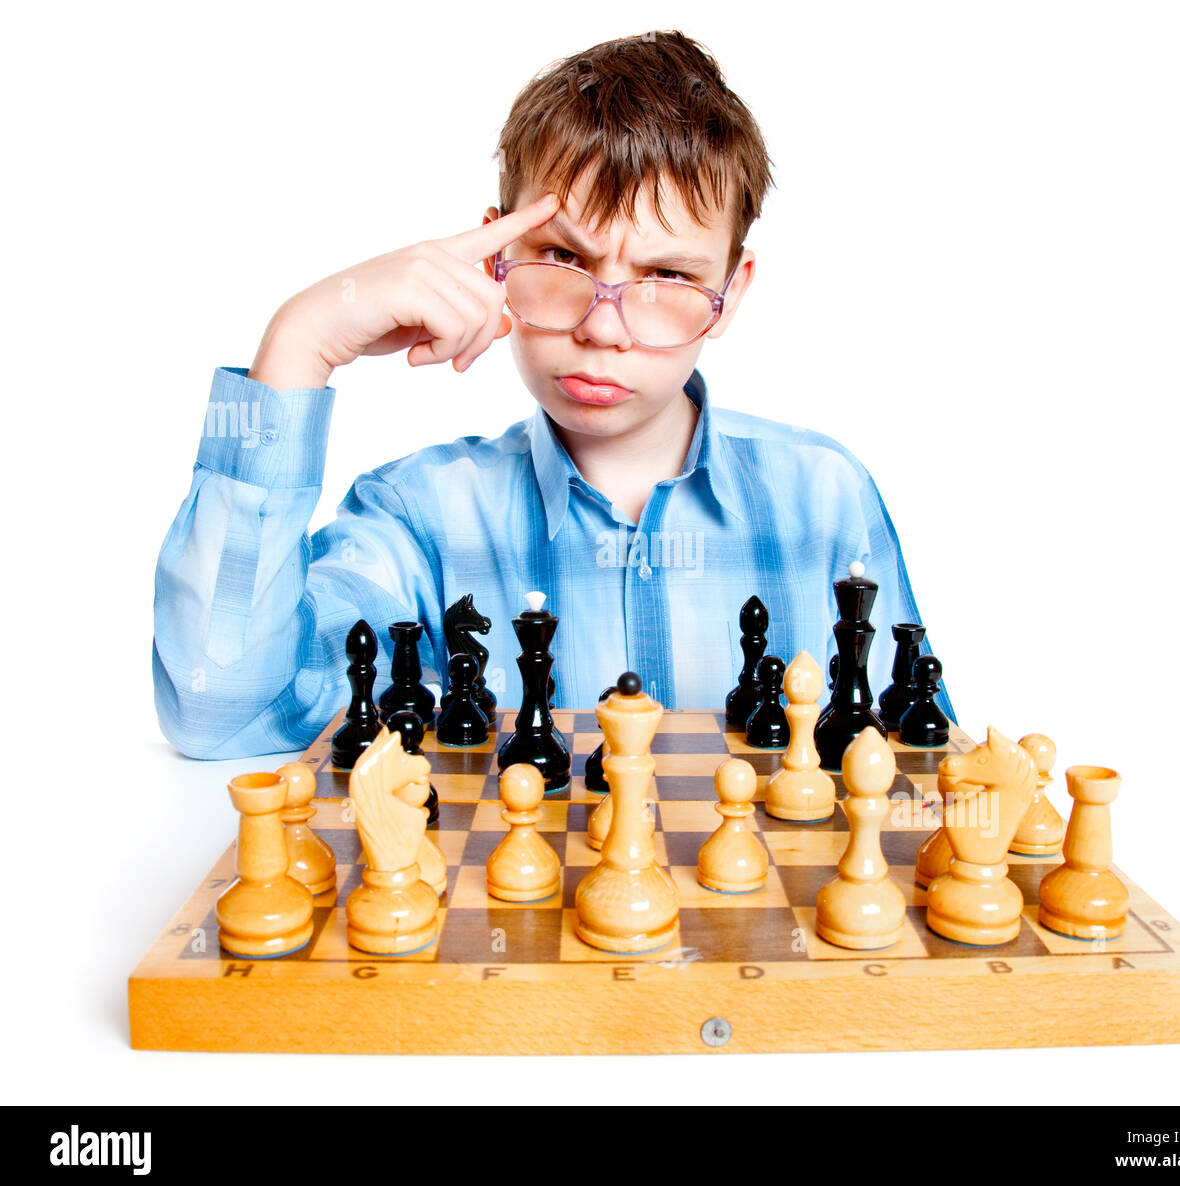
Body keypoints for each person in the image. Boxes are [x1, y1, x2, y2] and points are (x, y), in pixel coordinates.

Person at [153, 31, 953, 760]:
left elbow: (920, 759)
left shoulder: (823, 496)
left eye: (668, 276)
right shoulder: (418, 517)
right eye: (563, 259)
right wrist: (298, 343)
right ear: (495, 252)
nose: (604, 329)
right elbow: (217, 706)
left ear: (731, 292)